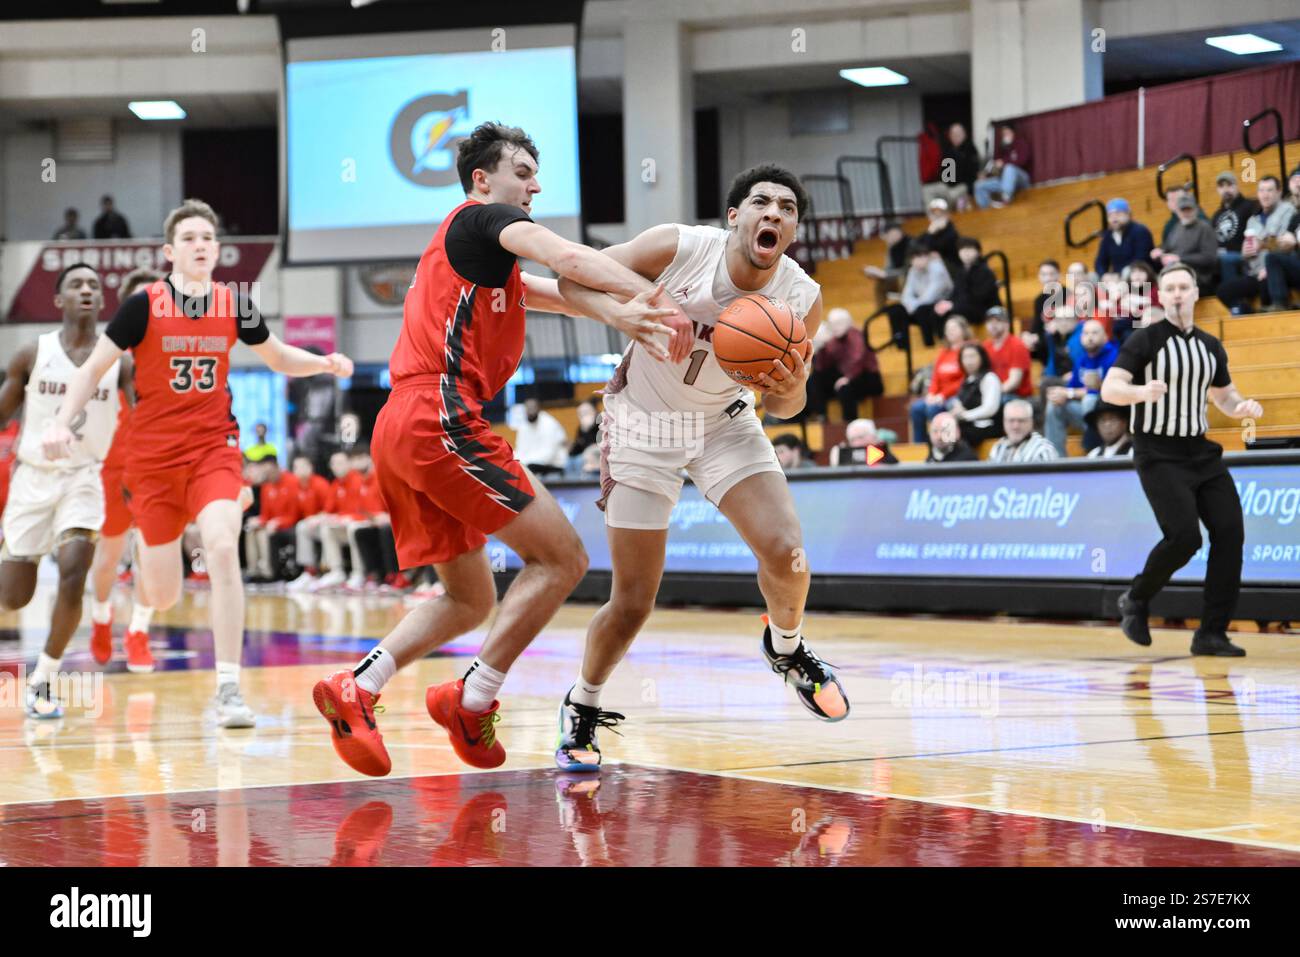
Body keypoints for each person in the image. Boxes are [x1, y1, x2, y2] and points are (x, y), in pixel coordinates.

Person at [311, 122, 692, 776]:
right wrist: (658, 297)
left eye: (536, 175)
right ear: (483, 180)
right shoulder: (482, 218)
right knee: (562, 558)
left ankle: (360, 685)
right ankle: (473, 697)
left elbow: (558, 295)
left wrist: (621, 316)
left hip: (402, 425)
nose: (534, 185)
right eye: (522, 172)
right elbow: (568, 260)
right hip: (438, 415)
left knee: (470, 598)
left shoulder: (482, 262)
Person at [551, 162, 852, 774]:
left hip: (724, 424)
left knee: (788, 554)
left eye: (788, 208)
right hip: (644, 425)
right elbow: (569, 280)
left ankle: (787, 648)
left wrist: (789, 384)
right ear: (734, 216)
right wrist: (622, 316)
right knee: (633, 602)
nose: (774, 213)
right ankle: (582, 704)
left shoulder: (801, 297)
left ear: (793, 231)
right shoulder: (679, 248)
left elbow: (788, 407)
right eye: (762, 202)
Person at [43, 198, 354, 728]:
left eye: (207, 238)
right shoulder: (143, 306)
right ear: (170, 252)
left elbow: (278, 355)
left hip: (214, 449)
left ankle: (229, 689)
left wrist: (322, 362)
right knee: (164, 594)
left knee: (222, 548)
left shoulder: (236, 305)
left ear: (217, 249)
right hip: (153, 462)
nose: (200, 245)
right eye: (188, 238)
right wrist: (60, 422)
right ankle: (147, 558)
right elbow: (92, 370)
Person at [1102, 263, 1263, 657]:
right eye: (1170, 287)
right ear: (1161, 295)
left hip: (1200, 451)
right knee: (1185, 537)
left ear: (1194, 293)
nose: (1177, 293)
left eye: (1183, 287)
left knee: (1230, 532)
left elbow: (1224, 395)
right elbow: (1111, 388)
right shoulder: (1145, 339)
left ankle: (1211, 633)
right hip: (1157, 452)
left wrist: (1242, 406)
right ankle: (1136, 598)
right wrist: (1140, 393)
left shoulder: (1210, 346)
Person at [1, 264, 128, 718]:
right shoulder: (32, 354)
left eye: (93, 284)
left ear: (102, 300)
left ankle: (43, 680)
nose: (87, 289)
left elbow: (145, 421)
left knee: (75, 569)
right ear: (59, 300)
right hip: (32, 478)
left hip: (85, 477)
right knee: (13, 596)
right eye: (76, 284)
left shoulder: (120, 361)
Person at [87, 267, 162, 671]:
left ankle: (139, 632)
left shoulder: (175, 350)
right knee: (108, 558)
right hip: (112, 468)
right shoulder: (110, 353)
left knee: (151, 556)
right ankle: (101, 619)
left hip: (156, 468)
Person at [1216, 176, 1299, 315]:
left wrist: (1262, 246)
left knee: (1266, 282)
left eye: (1269, 190)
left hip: (1278, 272)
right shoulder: (1252, 220)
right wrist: (1245, 253)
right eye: (1261, 190)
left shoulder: (1288, 211)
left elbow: (1287, 244)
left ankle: (1275, 311)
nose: (1265, 195)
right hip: (1255, 273)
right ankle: (1246, 312)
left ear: (1279, 192)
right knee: (1224, 290)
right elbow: (1247, 253)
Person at [1044, 319, 1117, 455]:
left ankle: (1097, 451)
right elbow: (1072, 388)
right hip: (1085, 413)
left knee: (1090, 399)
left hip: (1109, 413)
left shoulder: (1114, 355)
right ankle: (1055, 459)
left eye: (1094, 333)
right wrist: (1062, 395)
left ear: (1105, 337)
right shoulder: (1082, 360)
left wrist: (1069, 393)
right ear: (1081, 338)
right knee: (1054, 405)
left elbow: (1106, 390)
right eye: (1086, 333)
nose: (1090, 337)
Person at [804, 307, 882, 421]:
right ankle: (821, 415)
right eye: (832, 324)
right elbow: (822, 367)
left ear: (848, 322)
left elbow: (857, 359)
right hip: (845, 375)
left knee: (844, 388)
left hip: (866, 377)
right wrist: (821, 348)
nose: (835, 327)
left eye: (839, 323)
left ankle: (850, 421)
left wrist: (847, 378)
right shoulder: (833, 340)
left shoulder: (856, 335)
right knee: (813, 379)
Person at [910, 315, 973, 442]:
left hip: (958, 395)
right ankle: (920, 445)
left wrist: (943, 395)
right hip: (939, 396)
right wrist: (931, 394)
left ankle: (942, 442)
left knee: (933, 409)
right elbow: (936, 377)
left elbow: (965, 380)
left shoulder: (969, 350)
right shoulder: (944, 353)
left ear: (963, 330)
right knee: (916, 408)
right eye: (947, 329)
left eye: (953, 328)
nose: (950, 332)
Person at [887, 238, 952, 349]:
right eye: (914, 258)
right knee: (896, 310)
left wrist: (913, 307)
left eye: (921, 256)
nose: (918, 260)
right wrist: (909, 306)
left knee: (922, 310)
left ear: (928, 257)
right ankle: (901, 347)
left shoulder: (937, 268)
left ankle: (929, 345)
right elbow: (906, 294)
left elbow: (931, 296)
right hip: (919, 304)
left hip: (941, 302)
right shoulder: (913, 271)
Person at [933, 237, 999, 327]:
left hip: (982, 309)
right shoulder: (961, 271)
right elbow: (956, 293)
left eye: (969, 249)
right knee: (934, 311)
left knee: (953, 312)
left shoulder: (985, 271)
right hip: (964, 306)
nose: (966, 253)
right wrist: (947, 303)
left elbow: (978, 298)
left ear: (978, 252)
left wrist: (954, 305)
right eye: (962, 250)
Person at [1158, 193, 1218, 292]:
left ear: (1196, 210)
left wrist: (1180, 258)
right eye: (1183, 210)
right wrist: (1160, 251)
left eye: (1189, 209)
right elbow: (1167, 246)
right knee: (1142, 279)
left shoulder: (1204, 228)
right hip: (1174, 271)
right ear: (1178, 212)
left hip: (1197, 275)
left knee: (1167, 285)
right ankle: (1138, 301)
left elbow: (1209, 258)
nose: (1186, 213)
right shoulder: (1177, 227)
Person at [948, 343, 1002, 447]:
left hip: (986, 425)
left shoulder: (990, 378)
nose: (969, 361)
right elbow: (959, 403)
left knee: (956, 436)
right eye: (965, 357)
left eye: (972, 356)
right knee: (940, 434)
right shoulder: (966, 380)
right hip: (967, 424)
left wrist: (965, 415)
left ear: (982, 358)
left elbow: (990, 409)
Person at [1212, 172, 1259, 288]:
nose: (1225, 190)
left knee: (1225, 259)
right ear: (1217, 190)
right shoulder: (1216, 215)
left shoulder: (1250, 205)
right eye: (1221, 186)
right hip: (1220, 257)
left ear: (1237, 186)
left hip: (1244, 255)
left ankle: (1233, 297)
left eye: (1229, 185)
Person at [507, 397, 569, 478]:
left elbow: (549, 455)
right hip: (530, 464)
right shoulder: (523, 426)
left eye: (533, 408)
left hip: (554, 465)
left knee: (528, 469)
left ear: (538, 408)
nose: (530, 411)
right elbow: (520, 450)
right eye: (528, 408)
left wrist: (525, 461)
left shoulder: (549, 424)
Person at [973, 124, 1032, 208]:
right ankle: (985, 210)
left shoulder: (1021, 143)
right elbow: (996, 167)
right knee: (978, 185)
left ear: (1013, 133)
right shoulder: (1001, 148)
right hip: (1005, 181)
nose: (1006, 136)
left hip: (1021, 178)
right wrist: (986, 175)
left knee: (1009, 168)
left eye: (1007, 133)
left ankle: (1005, 198)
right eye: (1004, 134)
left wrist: (1004, 162)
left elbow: (1023, 161)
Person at [983, 306, 1033, 402]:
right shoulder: (985, 346)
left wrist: (992, 395)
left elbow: (1014, 382)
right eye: (989, 321)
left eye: (997, 321)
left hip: (1017, 396)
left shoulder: (1017, 345)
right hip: (994, 394)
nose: (993, 325)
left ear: (1007, 324)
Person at [1094, 199, 1153, 276]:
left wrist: (1119, 275)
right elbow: (1100, 262)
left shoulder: (1140, 231)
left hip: (1141, 276)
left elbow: (1141, 259)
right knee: (1093, 276)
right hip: (1117, 278)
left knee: (1127, 272)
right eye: (1110, 215)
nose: (1114, 219)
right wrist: (1104, 275)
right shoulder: (1107, 236)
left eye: (1118, 214)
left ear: (1128, 214)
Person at [987, 399, 1058, 463]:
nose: (1015, 426)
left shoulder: (1043, 450)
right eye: (1011, 420)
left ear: (1031, 422)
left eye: (1021, 421)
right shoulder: (998, 447)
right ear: (1004, 422)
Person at [1021, 259, 1062, 362]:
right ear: (1039, 277)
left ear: (1059, 275)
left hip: (1061, 339)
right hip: (1045, 341)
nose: (1047, 278)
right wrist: (1029, 335)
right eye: (1043, 275)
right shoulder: (1039, 300)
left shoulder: (1067, 294)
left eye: (1051, 274)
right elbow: (1037, 326)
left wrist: (1059, 324)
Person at [829, 418, 899, 466]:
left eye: (861, 437)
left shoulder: (881, 452)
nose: (857, 443)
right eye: (852, 439)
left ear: (873, 436)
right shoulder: (845, 454)